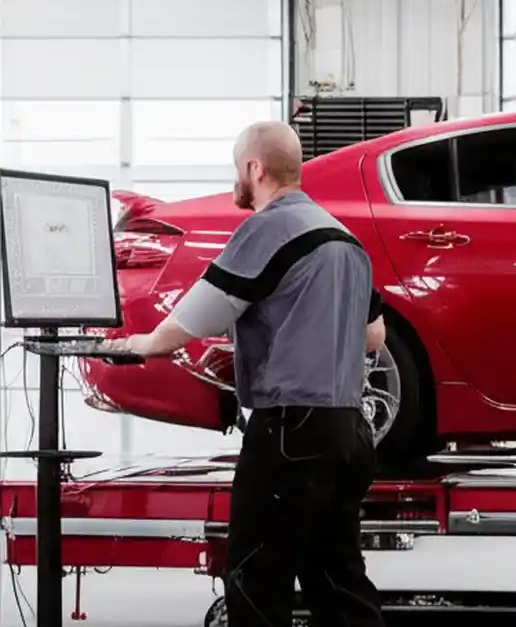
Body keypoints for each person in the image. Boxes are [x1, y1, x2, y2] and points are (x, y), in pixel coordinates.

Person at [104, 120, 387, 627]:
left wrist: (134, 344)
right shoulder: (345, 236)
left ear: (254, 168)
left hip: (290, 434)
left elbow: (188, 322)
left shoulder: (266, 228)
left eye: (237, 168)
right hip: (349, 431)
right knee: (339, 581)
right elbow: (373, 337)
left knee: (258, 583)